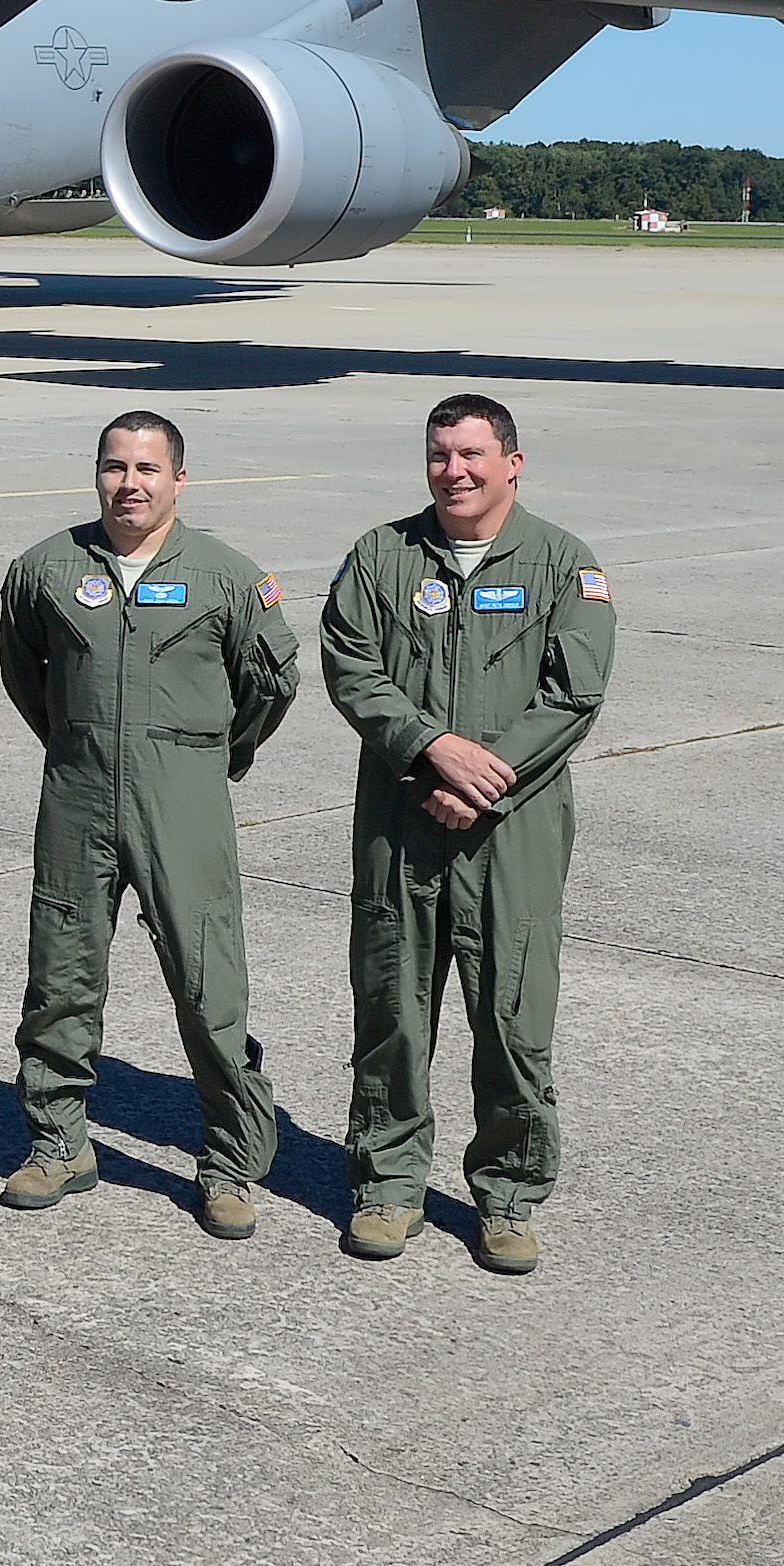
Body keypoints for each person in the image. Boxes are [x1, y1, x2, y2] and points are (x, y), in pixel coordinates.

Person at [321, 394, 614, 1275]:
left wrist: (486, 779)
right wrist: (431, 748)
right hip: (402, 819)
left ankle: (509, 1196)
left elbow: (574, 693)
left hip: (512, 828)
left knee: (513, 1015)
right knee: (392, 1009)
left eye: (472, 453)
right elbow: (350, 664)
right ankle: (388, 1184)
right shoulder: (381, 557)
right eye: (440, 454)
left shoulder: (564, 563)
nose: (454, 470)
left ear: (512, 462)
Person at [0, 411, 300, 1242]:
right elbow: (25, 670)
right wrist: (76, 742)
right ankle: (58, 1143)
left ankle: (229, 1160)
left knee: (208, 983)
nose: (129, 483)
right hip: (78, 794)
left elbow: (270, 683)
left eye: (147, 468)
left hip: (183, 799)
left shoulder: (225, 577)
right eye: (114, 466)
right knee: (60, 973)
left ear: (179, 479)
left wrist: (207, 758)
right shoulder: (46, 569)